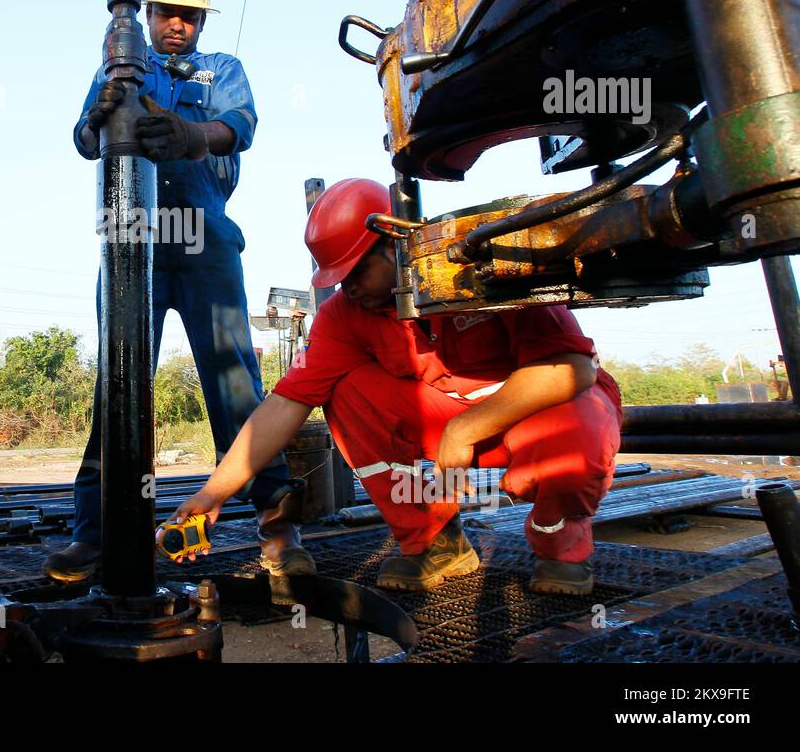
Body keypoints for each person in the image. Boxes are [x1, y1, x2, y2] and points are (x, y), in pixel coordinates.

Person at [172, 178, 623, 596]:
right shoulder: (346, 315)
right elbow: (285, 405)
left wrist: (465, 428)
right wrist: (212, 494)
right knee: (346, 389)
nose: (347, 290)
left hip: (537, 415)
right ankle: (435, 541)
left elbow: (570, 370)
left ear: (394, 244)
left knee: (579, 422)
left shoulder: (485, 264)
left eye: (354, 273)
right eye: (338, 279)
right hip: (448, 423)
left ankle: (560, 542)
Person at [45, 0, 313, 583]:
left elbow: (238, 127)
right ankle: (97, 536)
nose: (177, 26)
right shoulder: (120, 67)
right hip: (130, 236)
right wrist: (99, 111)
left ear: (199, 22)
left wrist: (193, 133)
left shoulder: (222, 71)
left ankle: (278, 526)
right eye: (167, 13)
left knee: (235, 381)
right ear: (149, 14)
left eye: (189, 17)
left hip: (203, 238)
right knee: (117, 385)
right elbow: (86, 141)